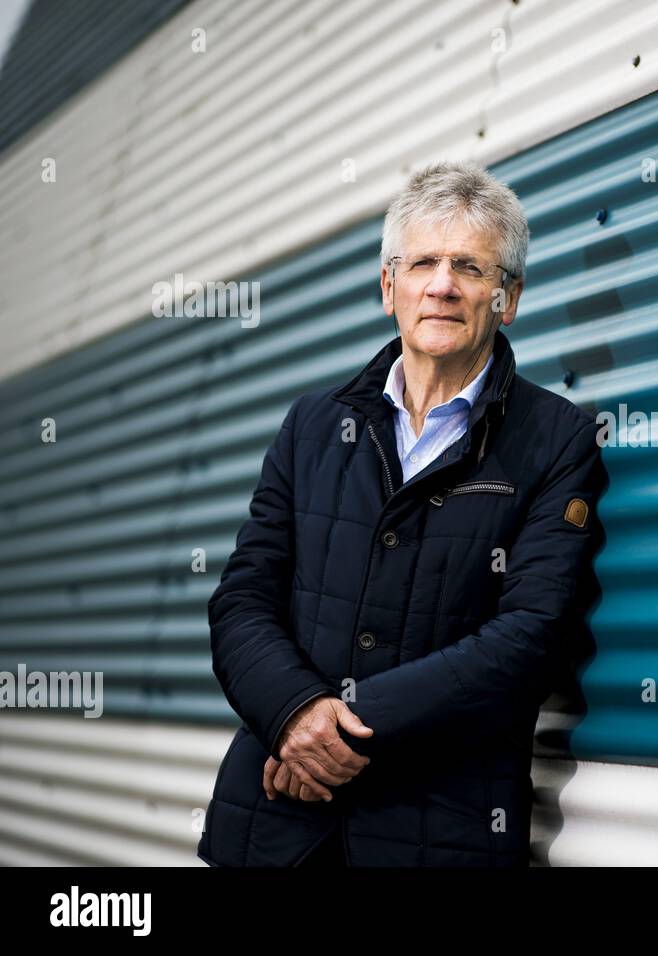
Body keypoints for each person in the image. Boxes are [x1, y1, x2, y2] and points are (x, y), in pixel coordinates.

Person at [197, 160, 605, 867]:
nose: (443, 285)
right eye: (423, 263)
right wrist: (293, 711)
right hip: (275, 824)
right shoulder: (314, 425)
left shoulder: (554, 437)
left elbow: (531, 636)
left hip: (437, 831)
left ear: (508, 297)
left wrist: (337, 735)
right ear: (390, 287)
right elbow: (243, 598)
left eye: (471, 268)